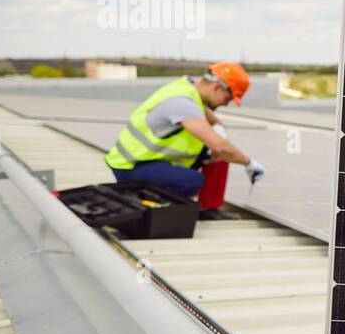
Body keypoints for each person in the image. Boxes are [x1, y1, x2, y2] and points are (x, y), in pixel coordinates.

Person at [104, 62, 266, 219]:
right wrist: (248, 162)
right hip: (130, 167)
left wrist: (218, 126)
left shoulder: (190, 90)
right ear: (216, 87)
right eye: (227, 98)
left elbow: (208, 118)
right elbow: (220, 146)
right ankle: (137, 200)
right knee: (192, 180)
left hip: (148, 160)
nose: (226, 104)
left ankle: (208, 209)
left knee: (220, 150)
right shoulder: (182, 102)